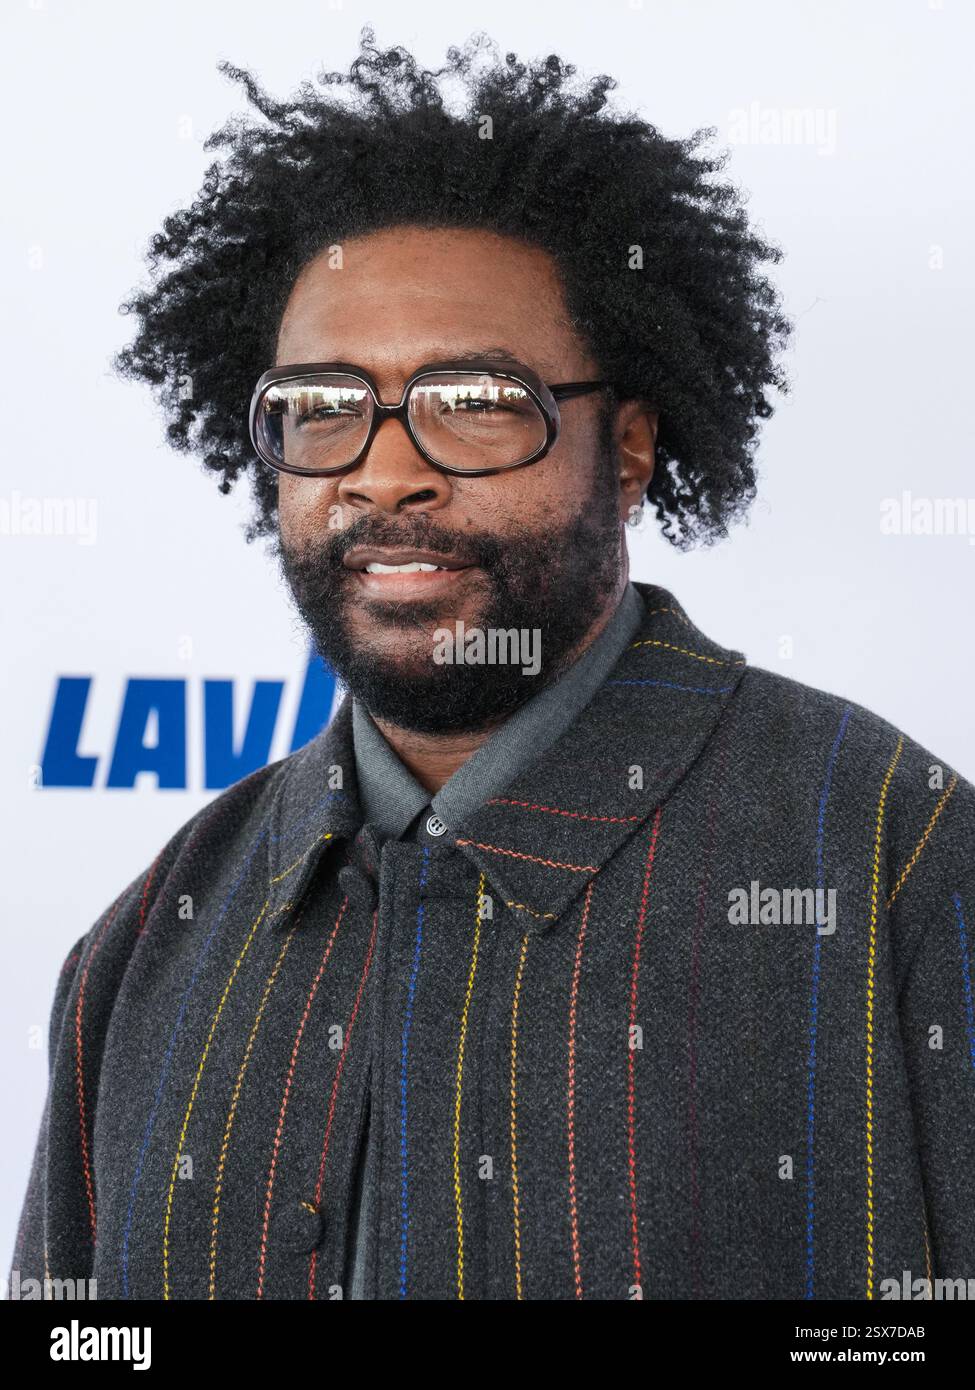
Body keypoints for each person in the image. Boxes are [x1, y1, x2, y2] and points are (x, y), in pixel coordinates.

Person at [11, 31, 973, 1302]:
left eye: (473, 397)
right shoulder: (149, 941)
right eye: (321, 403)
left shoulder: (895, 858)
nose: (384, 467)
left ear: (625, 452)